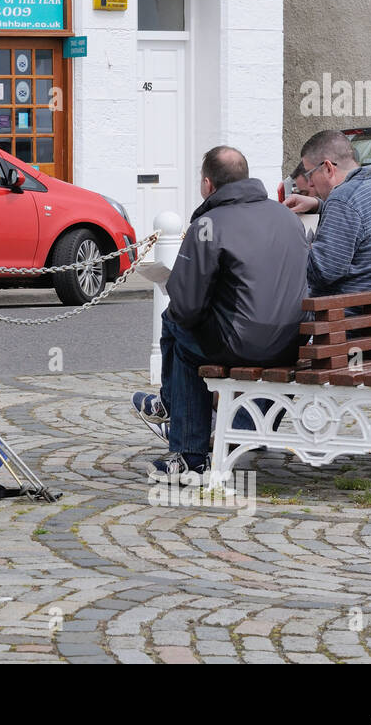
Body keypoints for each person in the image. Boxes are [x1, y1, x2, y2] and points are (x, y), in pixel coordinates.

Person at [131, 146, 309, 481]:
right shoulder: (286, 216)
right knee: (183, 325)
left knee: (176, 326)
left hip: (243, 344)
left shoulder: (209, 224)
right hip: (292, 343)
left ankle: (187, 453)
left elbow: (186, 308)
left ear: (208, 185)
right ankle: (217, 424)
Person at [284, 130, 371, 295]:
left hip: (352, 315)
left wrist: (293, 242)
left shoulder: (343, 199)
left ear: (327, 168)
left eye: (310, 174)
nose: (310, 184)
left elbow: (320, 272)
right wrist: (319, 205)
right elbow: (361, 217)